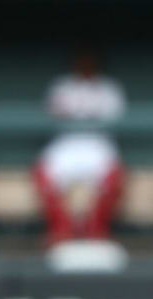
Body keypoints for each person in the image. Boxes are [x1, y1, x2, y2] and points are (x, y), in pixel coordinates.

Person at [32, 45, 127, 270]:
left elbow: (113, 119)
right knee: (43, 169)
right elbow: (52, 114)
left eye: (90, 60)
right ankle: (60, 231)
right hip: (66, 143)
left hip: (97, 143)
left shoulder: (109, 88)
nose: (85, 65)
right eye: (81, 60)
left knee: (113, 173)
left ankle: (96, 233)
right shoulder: (62, 86)